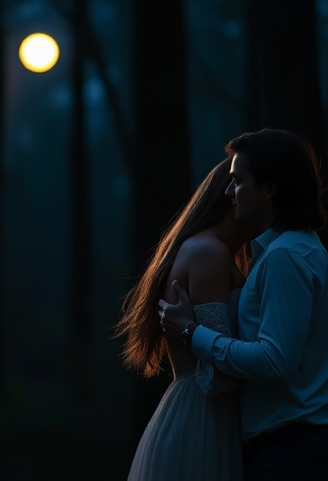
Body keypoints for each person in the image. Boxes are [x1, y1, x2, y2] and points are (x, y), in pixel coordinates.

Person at [159, 128, 328, 481]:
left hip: (292, 454)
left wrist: (191, 332)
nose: (228, 191)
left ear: (271, 187)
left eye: (239, 181)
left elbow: (275, 361)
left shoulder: (285, 257)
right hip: (294, 450)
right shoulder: (301, 251)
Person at [114, 155, 253, 481]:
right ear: (230, 195)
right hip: (204, 419)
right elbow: (218, 375)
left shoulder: (205, 249)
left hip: (194, 413)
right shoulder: (211, 253)